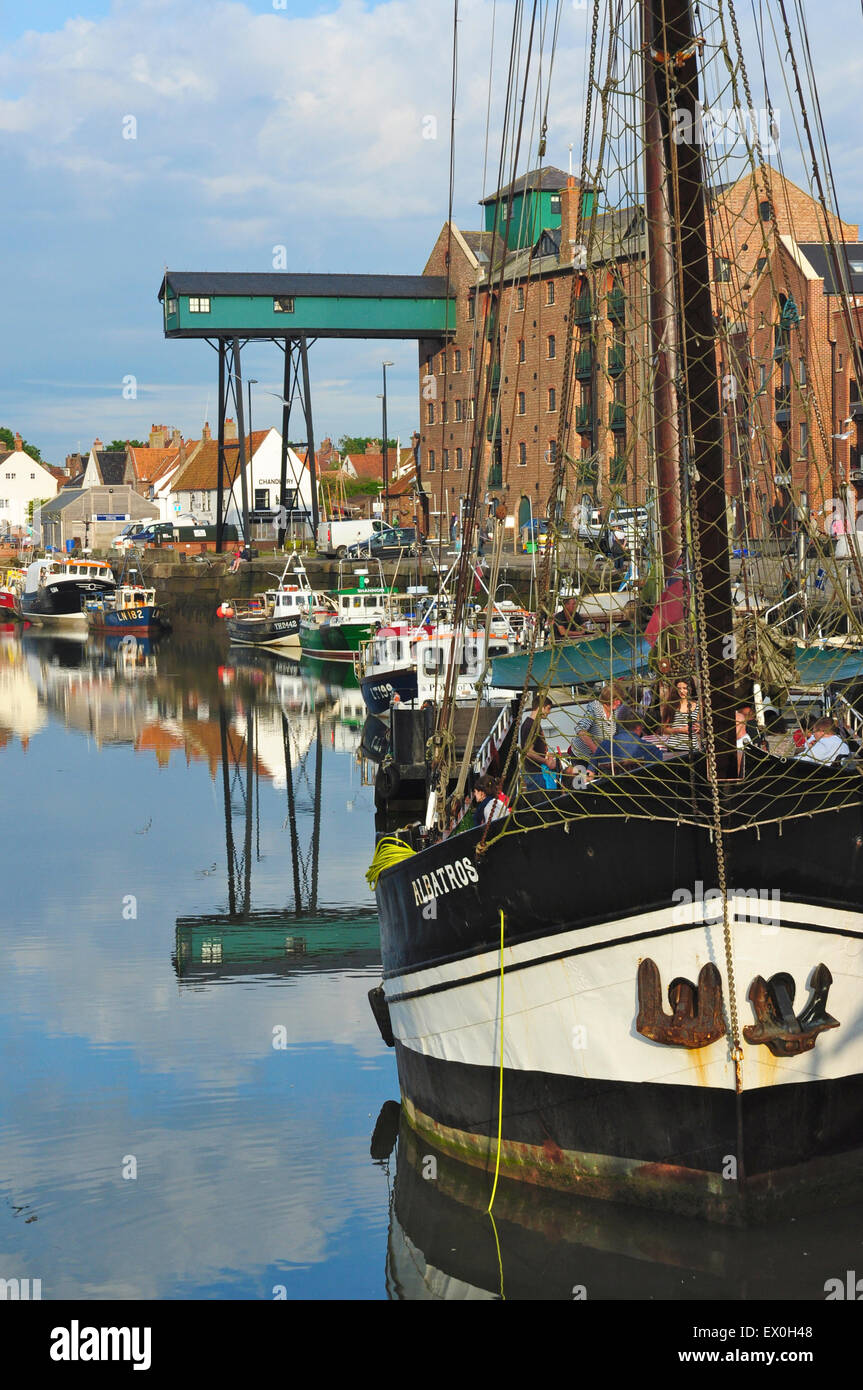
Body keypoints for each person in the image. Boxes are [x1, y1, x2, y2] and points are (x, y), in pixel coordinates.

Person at [568, 682, 627, 761]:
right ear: (609, 698)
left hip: (600, 756)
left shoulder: (616, 710)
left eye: (620, 700)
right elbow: (580, 730)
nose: (619, 703)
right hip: (582, 755)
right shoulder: (595, 709)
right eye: (617, 700)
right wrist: (596, 751)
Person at [520, 695, 560, 789]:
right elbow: (528, 752)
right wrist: (546, 762)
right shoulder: (530, 726)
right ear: (541, 707)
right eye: (548, 708)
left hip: (535, 772)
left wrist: (546, 754)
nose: (549, 712)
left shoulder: (533, 724)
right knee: (539, 800)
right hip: (534, 773)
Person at [661, 676, 700, 751]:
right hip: (674, 748)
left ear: (691, 688)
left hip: (693, 748)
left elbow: (699, 726)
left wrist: (699, 728)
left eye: (685, 688)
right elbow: (664, 729)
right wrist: (679, 730)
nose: (681, 691)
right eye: (679, 688)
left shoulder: (697, 705)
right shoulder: (671, 705)